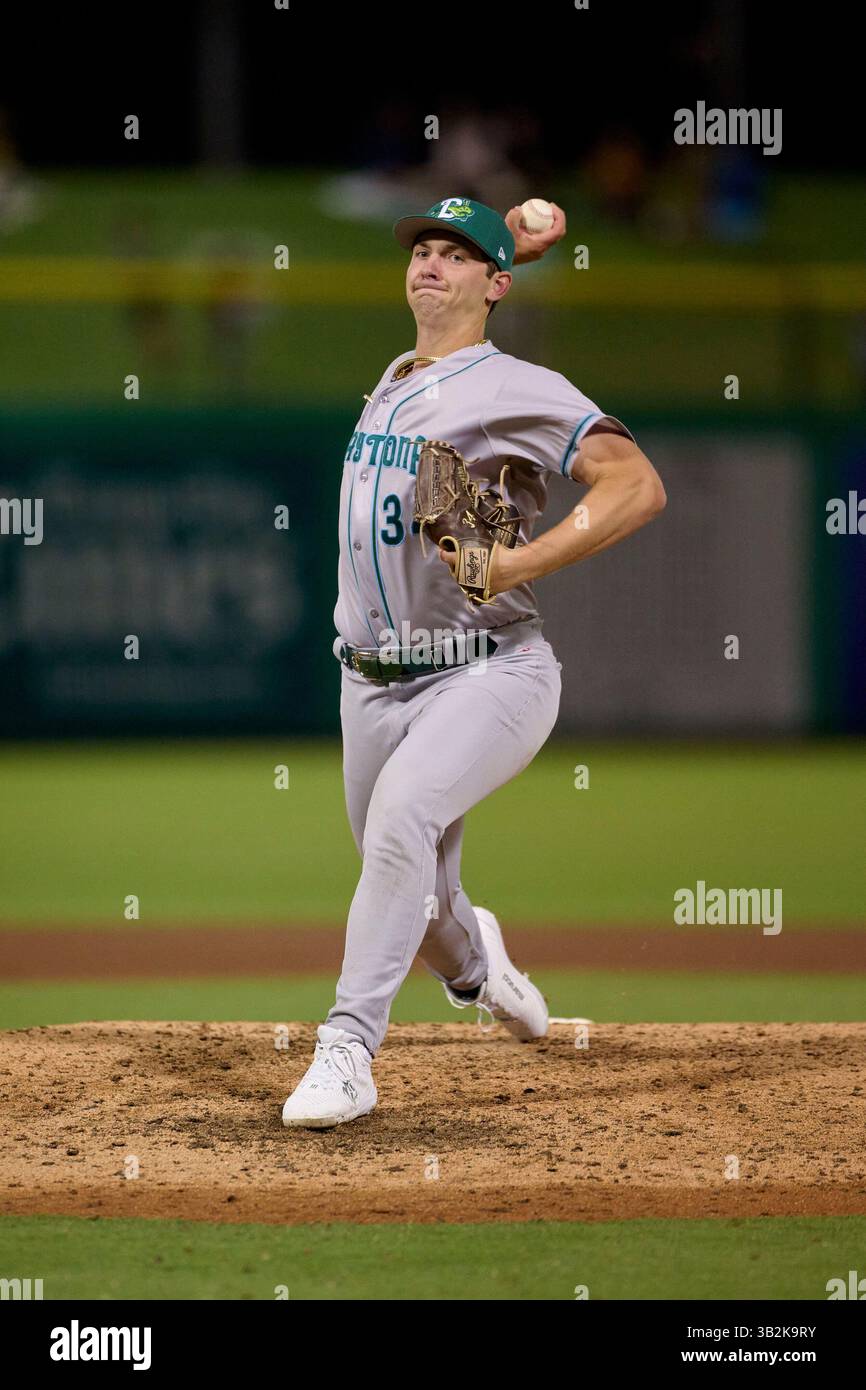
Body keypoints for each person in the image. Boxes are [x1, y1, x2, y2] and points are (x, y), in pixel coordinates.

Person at [282, 197, 666, 1128]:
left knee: (401, 820)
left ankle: (346, 1051)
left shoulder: (517, 387)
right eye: (421, 250)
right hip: (369, 684)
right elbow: (459, 323)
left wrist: (524, 560)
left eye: (452, 257)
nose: (427, 265)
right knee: (422, 906)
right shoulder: (396, 378)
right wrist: (497, 244)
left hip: (488, 669)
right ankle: (482, 970)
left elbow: (637, 484)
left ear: (493, 287)